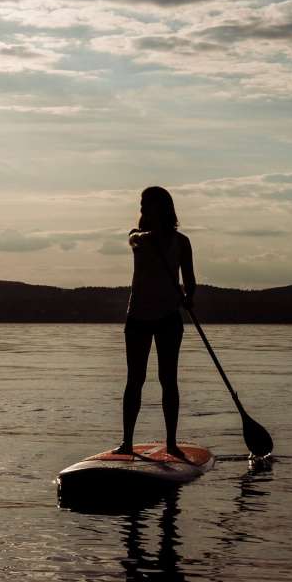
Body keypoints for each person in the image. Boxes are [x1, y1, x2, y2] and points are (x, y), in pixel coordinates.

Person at [117, 186, 195, 459]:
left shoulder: (182, 242)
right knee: (134, 380)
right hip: (137, 317)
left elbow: (191, 281)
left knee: (168, 380)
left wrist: (188, 297)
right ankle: (127, 442)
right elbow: (134, 239)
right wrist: (143, 236)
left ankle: (171, 443)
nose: (141, 209)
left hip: (168, 319)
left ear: (160, 208)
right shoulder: (137, 238)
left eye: (145, 204)